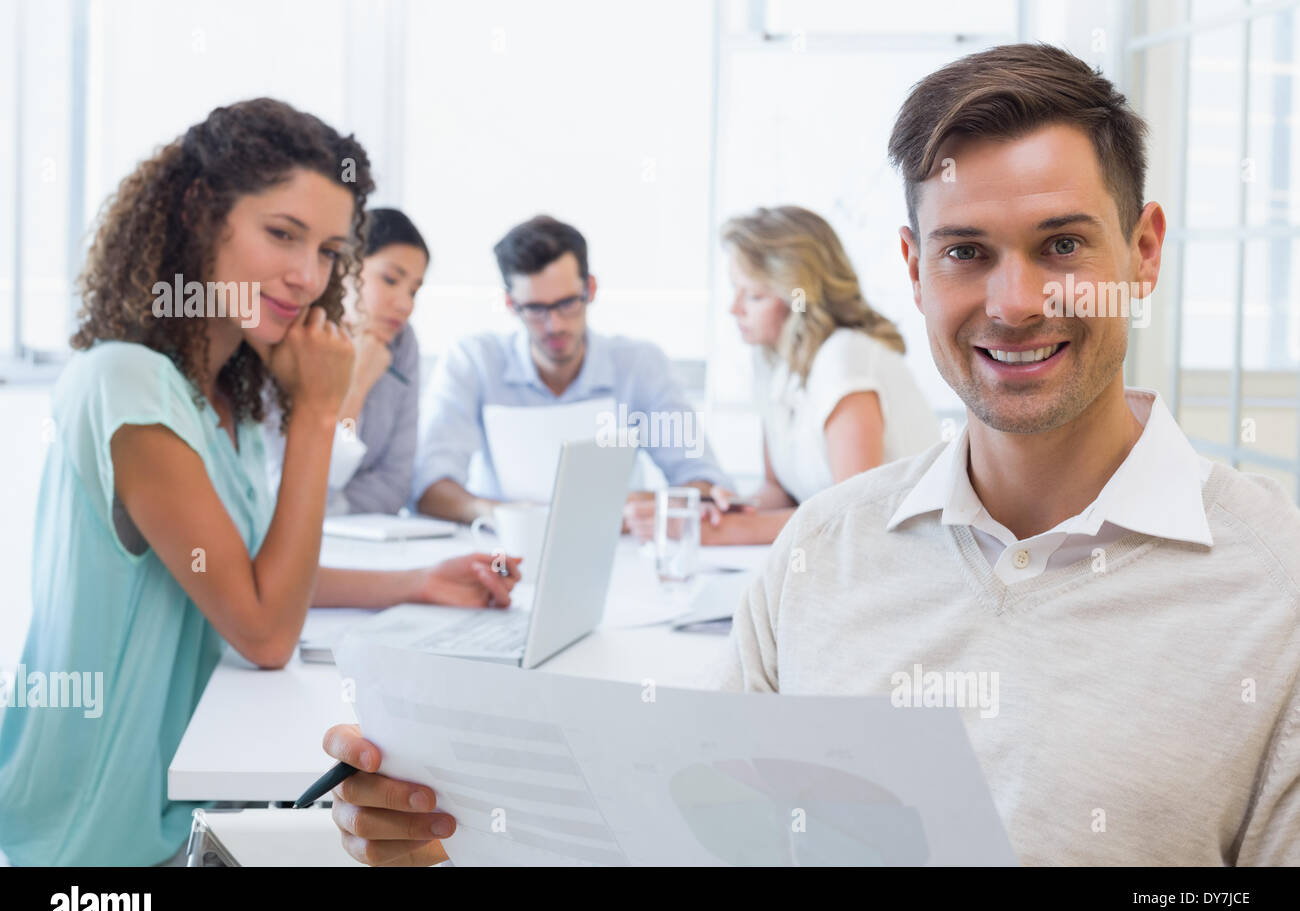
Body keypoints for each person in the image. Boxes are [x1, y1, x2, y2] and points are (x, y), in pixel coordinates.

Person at [323, 44, 1300, 866]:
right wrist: (451, 844)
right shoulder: (821, 550)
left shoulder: (1277, 583)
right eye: (966, 251)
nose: (1012, 302)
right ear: (915, 271)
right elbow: (702, 850)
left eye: (1061, 246)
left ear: (1143, 252)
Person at [0, 99, 518, 867]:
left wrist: (421, 582)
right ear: (199, 215)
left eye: (330, 251)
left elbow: (248, 575)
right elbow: (265, 630)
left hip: (184, 806)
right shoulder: (129, 382)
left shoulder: (221, 395)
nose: (309, 278)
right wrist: (316, 415)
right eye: (282, 234)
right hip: (102, 837)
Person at [412, 214, 733, 525]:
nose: (555, 325)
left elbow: (704, 481)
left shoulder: (640, 365)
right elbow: (429, 488)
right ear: (511, 304)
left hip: (618, 552)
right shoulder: (474, 361)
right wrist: (508, 517)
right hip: (502, 551)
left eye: (568, 303)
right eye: (536, 309)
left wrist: (641, 505)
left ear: (590, 289)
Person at [676, 205, 937, 546]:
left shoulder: (845, 356)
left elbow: (853, 515)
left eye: (754, 295)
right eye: (735, 290)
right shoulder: (773, 365)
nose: (734, 308)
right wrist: (731, 512)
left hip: (912, 557)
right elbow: (779, 492)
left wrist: (725, 533)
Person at [263, 208, 428, 515]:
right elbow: (279, 494)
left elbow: (396, 484)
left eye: (414, 290)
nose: (406, 304)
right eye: (390, 280)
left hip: (360, 538)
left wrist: (330, 505)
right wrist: (356, 384)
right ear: (343, 269)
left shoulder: (402, 344)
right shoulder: (292, 336)